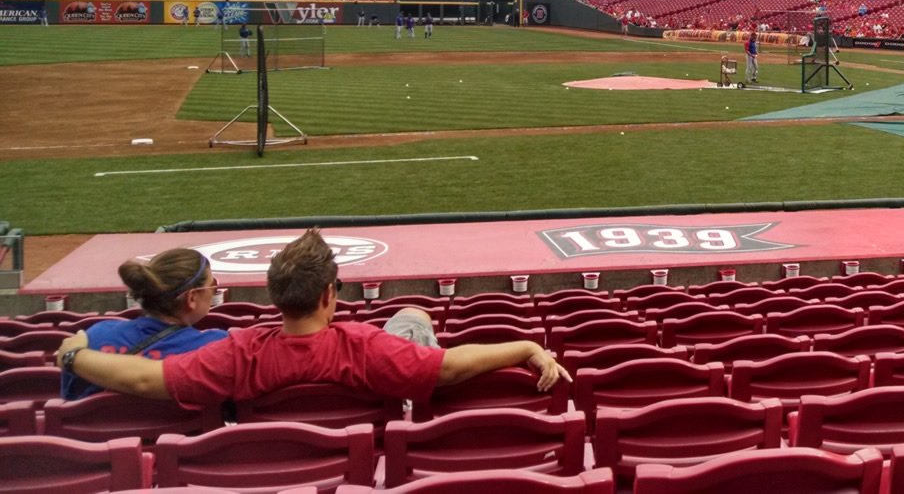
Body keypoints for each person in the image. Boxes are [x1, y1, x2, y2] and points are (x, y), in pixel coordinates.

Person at [53, 229, 570, 407]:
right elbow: (451, 368)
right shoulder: (364, 347)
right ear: (329, 295)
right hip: (365, 434)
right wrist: (526, 347)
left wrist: (76, 354)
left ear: (275, 298)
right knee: (411, 317)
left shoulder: (237, 353)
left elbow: (146, 379)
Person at [60, 248, 229, 400]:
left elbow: (70, 399)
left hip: (97, 436)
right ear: (192, 298)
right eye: (212, 285)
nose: (214, 290)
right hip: (185, 434)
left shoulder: (92, 337)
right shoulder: (218, 346)